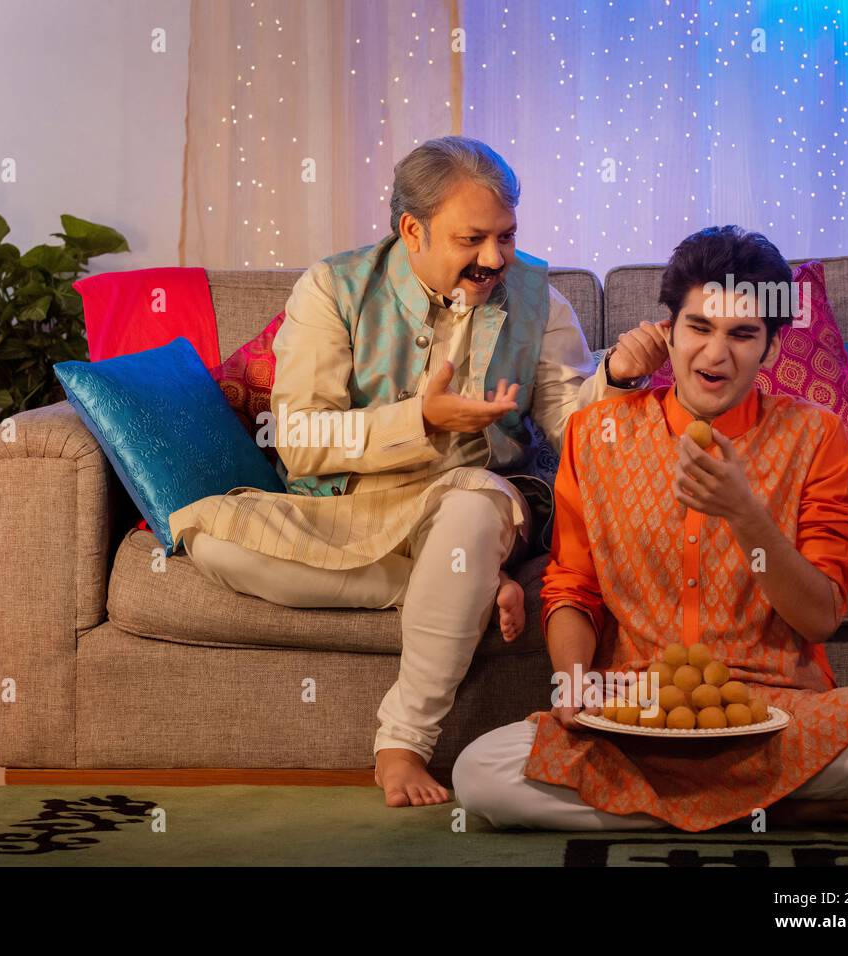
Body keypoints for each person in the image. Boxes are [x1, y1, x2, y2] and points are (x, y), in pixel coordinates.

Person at [168, 136, 669, 807]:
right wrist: (420, 421)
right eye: (473, 239)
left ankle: (402, 741)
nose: (495, 258)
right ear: (413, 229)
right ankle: (454, 587)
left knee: (470, 508)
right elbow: (300, 439)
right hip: (354, 511)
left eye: (507, 235)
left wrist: (614, 377)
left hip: (481, 504)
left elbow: (571, 426)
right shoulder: (333, 289)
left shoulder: (538, 299)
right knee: (210, 538)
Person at [452, 225, 848, 831]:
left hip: (774, 713)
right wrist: (575, 683)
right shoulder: (597, 434)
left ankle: (662, 807)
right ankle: (777, 804)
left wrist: (745, 514)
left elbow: (819, 616)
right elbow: (573, 587)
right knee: (478, 774)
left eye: (742, 334)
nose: (715, 354)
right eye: (699, 327)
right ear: (669, 331)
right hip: (633, 716)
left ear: (769, 347)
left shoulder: (816, 437)